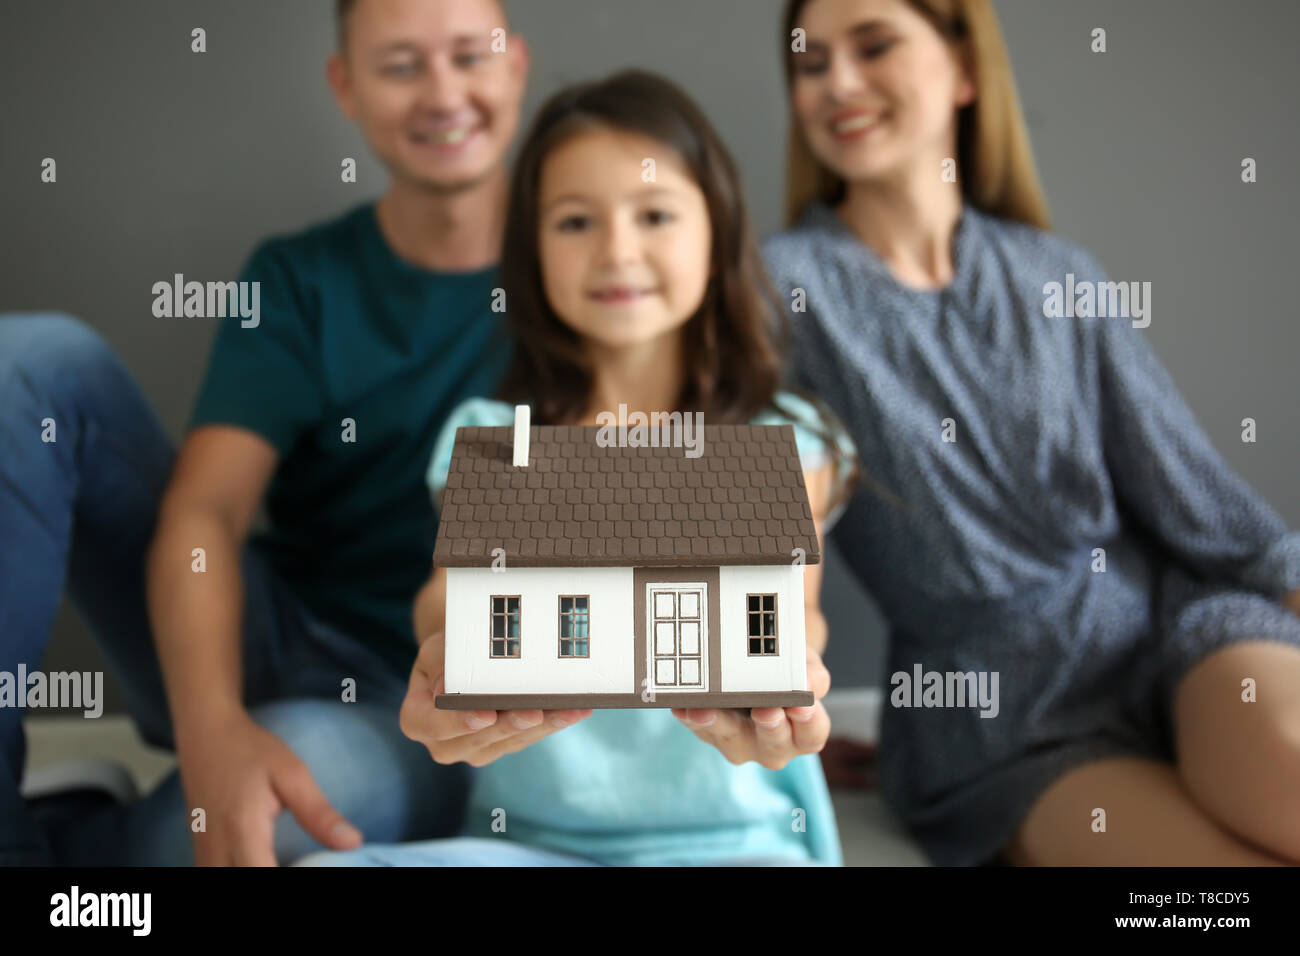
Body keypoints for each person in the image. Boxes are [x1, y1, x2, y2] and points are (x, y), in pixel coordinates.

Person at [762, 0, 1300, 865]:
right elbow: (760, 530)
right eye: (810, 61)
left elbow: (1201, 501)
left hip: (1176, 630)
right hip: (999, 717)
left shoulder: (1056, 271)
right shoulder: (779, 294)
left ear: (965, 68)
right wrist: (765, 712)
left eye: (873, 46)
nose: (839, 84)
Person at [0, 0, 528, 866]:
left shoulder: (595, 270)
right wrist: (212, 735)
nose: (443, 93)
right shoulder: (299, 278)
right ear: (345, 86)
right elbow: (205, 514)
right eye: (401, 66)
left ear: (515, 66)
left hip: (424, 706)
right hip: (271, 636)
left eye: (470, 56)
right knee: (33, 360)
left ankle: (81, 829)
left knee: (244, 831)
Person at [298, 69, 857, 867]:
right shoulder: (491, 438)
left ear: (718, 231)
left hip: (736, 843)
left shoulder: (789, 439)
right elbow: (446, 597)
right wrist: (444, 656)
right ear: (530, 251)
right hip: (525, 847)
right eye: (574, 222)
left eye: (656, 214)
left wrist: (788, 679)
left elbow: (796, 610)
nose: (617, 251)